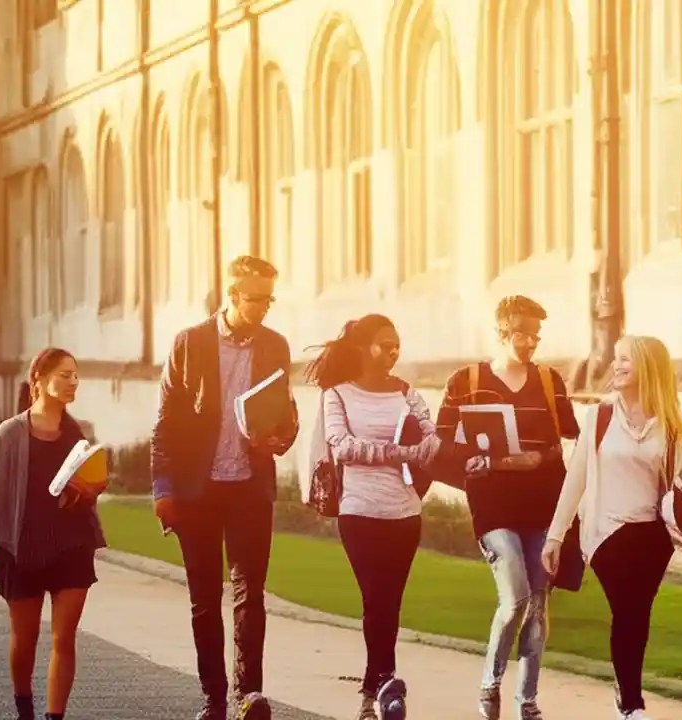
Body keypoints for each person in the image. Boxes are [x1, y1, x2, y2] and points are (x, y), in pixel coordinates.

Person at [542, 335, 682, 720]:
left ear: (648, 368)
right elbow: (575, 479)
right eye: (617, 358)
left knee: (636, 614)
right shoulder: (599, 418)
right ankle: (632, 703)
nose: (617, 365)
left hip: (652, 536)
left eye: (626, 359)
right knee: (628, 609)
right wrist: (556, 535)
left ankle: (626, 693)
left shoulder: (673, 427)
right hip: (606, 533)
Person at [150, 255, 299, 720]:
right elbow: (166, 422)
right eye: (257, 299)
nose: (264, 307)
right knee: (204, 599)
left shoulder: (275, 345)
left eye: (270, 299)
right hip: (198, 489)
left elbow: (287, 414)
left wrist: (279, 438)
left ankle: (248, 695)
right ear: (232, 295)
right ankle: (214, 698)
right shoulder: (189, 343)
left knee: (251, 594)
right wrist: (163, 489)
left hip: (249, 488)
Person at [434, 295, 579, 720]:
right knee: (515, 596)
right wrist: (475, 460)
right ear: (500, 332)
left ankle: (527, 701)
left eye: (536, 336)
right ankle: (490, 682)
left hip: (542, 502)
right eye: (522, 334)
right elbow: (442, 441)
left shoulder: (550, 382)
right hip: (493, 503)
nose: (530, 343)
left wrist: (538, 457)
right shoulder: (466, 381)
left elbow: (566, 439)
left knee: (538, 602)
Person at [306, 314, 441, 720]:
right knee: (375, 599)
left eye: (398, 344)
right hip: (360, 510)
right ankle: (386, 684)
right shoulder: (337, 394)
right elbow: (342, 446)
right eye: (386, 344)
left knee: (390, 602)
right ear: (364, 347)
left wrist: (426, 448)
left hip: (405, 511)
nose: (394, 352)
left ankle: (375, 688)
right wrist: (400, 453)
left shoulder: (407, 393)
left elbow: (431, 438)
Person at [0, 348, 108, 720]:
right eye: (65, 375)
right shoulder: (9, 433)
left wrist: (91, 489)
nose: (73, 382)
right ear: (40, 379)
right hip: (23, 546)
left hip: (72, 543)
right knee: (25, 638)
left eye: (76, 376)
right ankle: (24, 709)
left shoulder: (79, 433)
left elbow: (91, 485)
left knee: (64, 638)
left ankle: (55, 717)